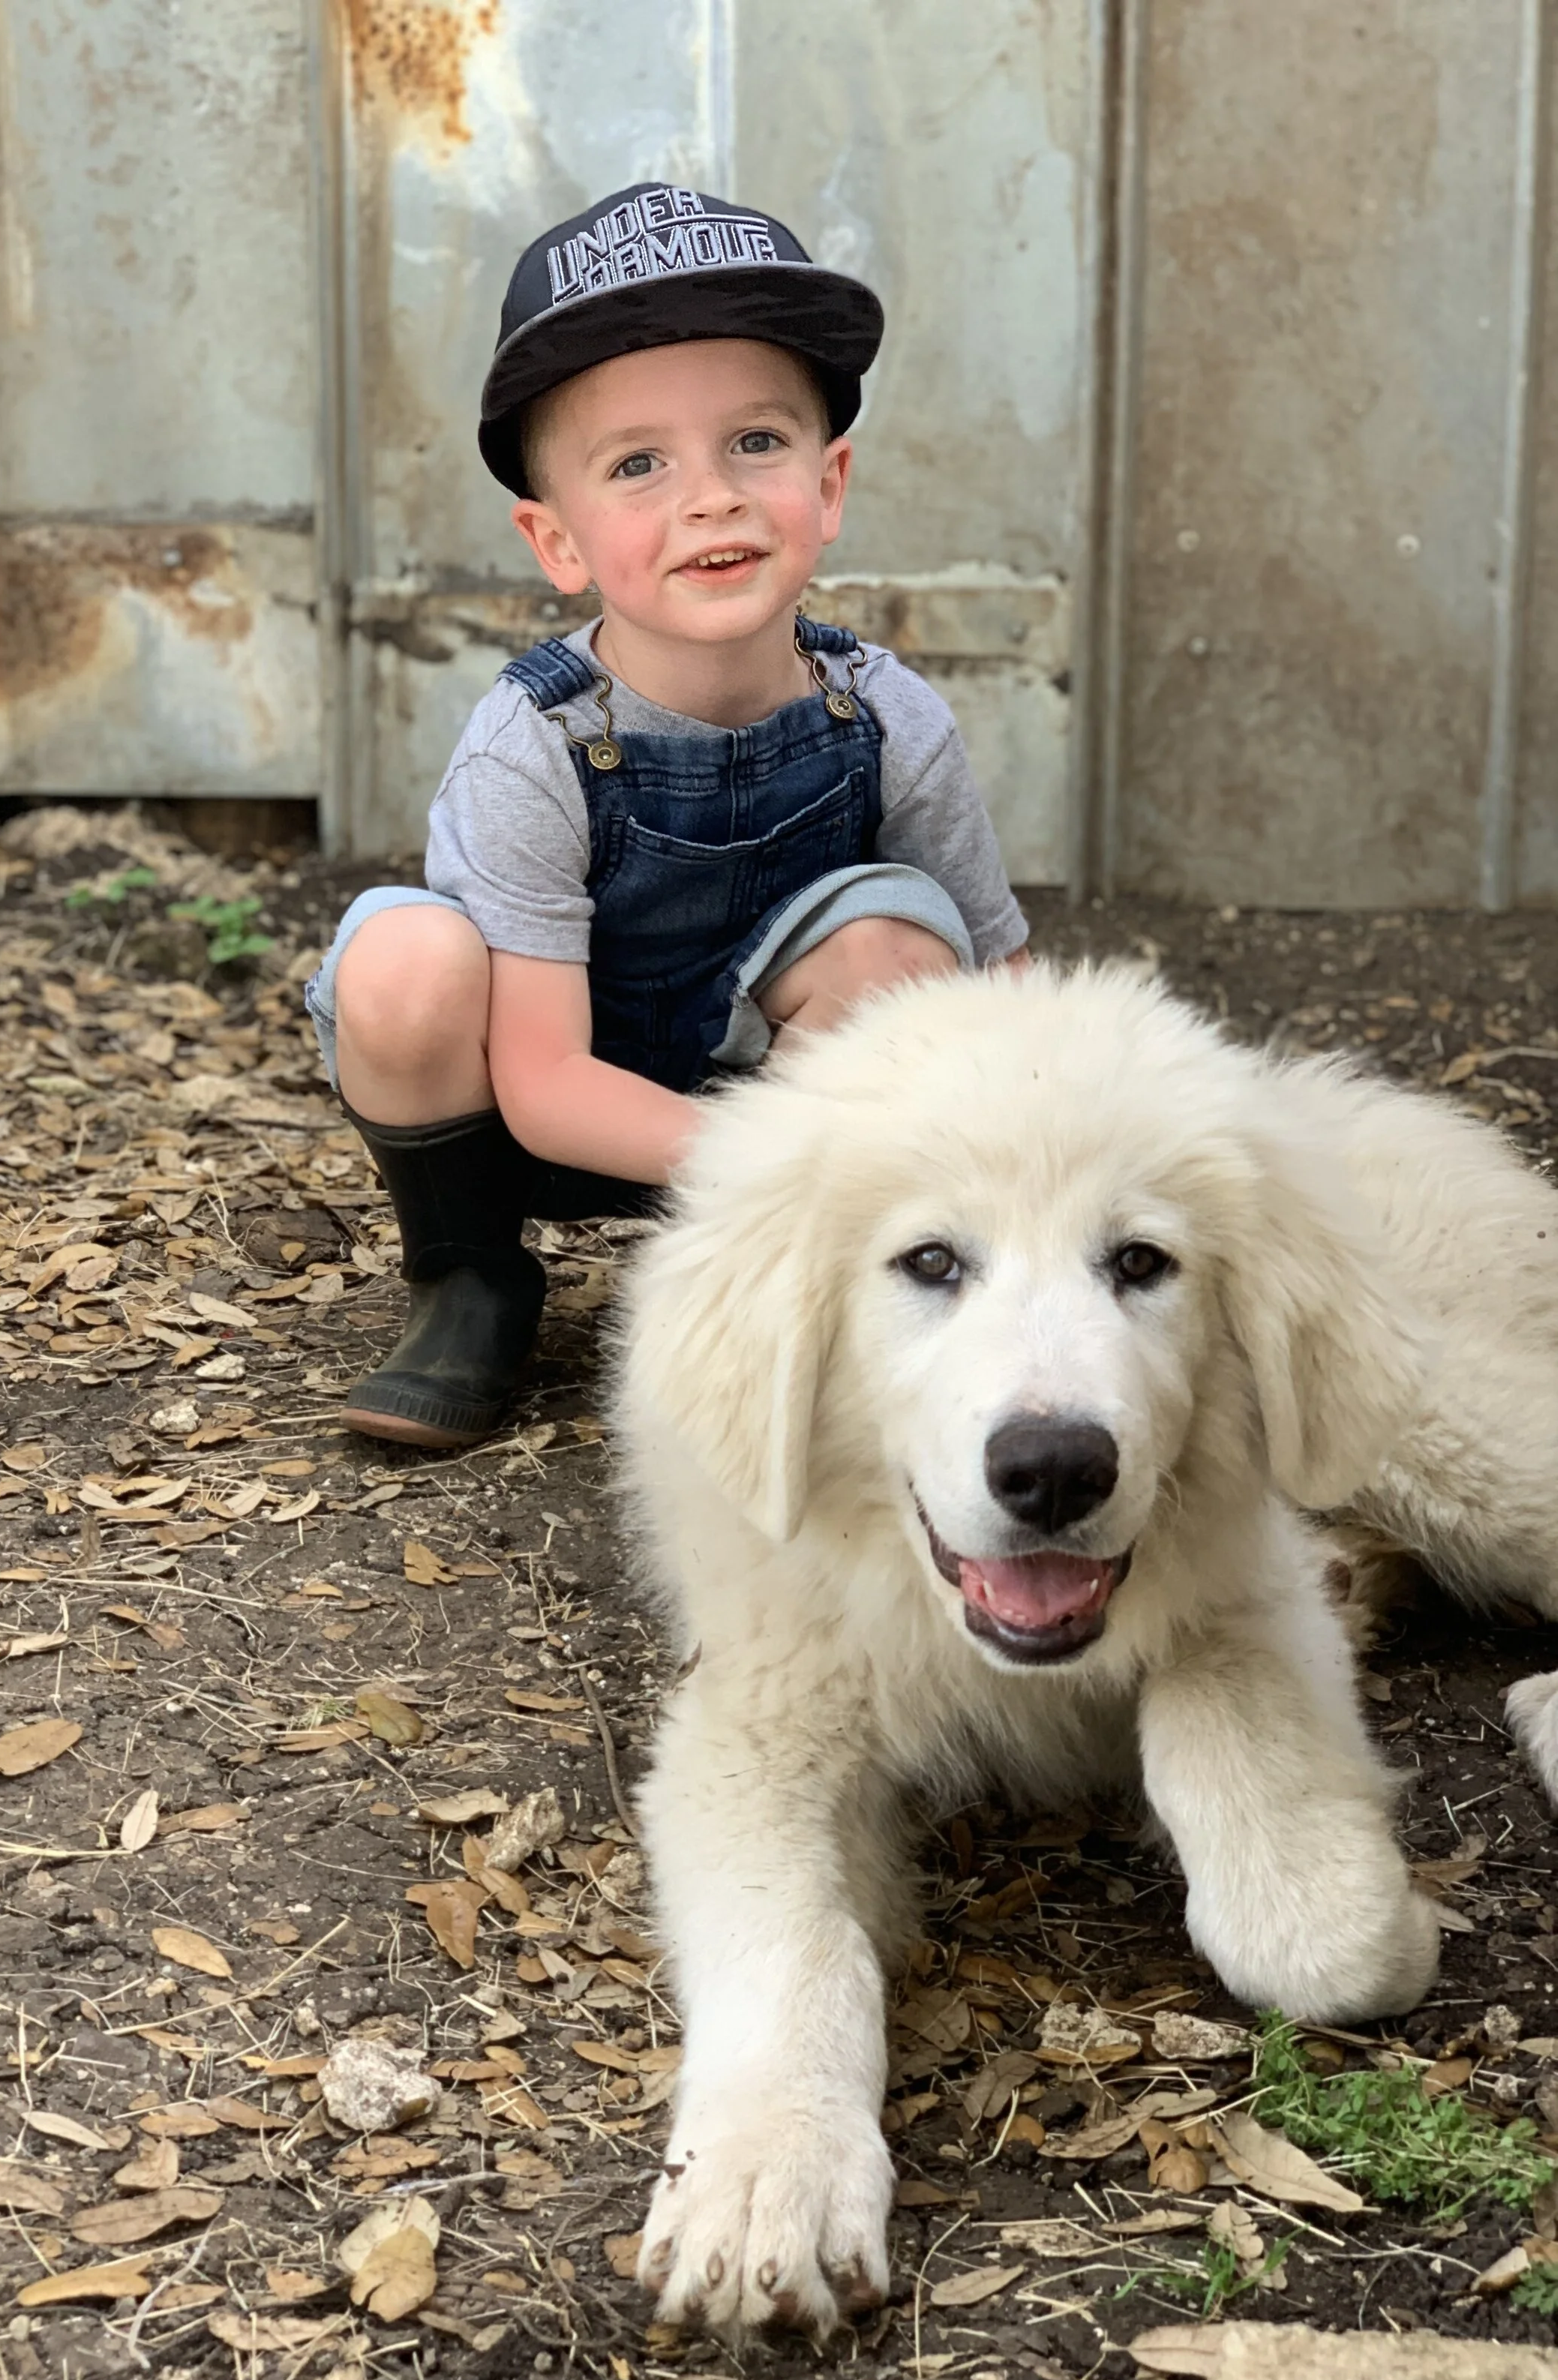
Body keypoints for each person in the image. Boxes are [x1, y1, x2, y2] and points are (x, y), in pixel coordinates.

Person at [308, 183, 1030, 1448]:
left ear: (832, 479)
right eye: (638, 464)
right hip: (534, 1112)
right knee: (405, 957)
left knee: (900, 943)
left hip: (775, 1112)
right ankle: (470, 1280)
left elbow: (1012, 995)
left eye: (756, 441)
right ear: (558, 540)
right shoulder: (530, 746)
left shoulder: (887, 716)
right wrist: (786, 1164)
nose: (712, 497)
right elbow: (542, 1083)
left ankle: (806, 1288)